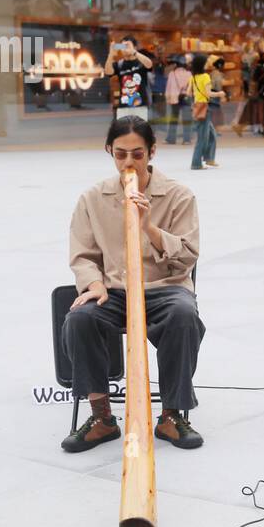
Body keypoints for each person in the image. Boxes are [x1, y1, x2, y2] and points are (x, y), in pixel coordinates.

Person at [62, 117, 204, 452]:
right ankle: (101, 417)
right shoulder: (92, 198)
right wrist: (93, 284)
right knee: (79, 319)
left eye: (138, 155)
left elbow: (187, 256)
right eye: (121, 154)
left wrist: (149, 227)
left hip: (165, 288)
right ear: (109, 151)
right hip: (113, 290)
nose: (129, 163)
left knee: (184, 315)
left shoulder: (179, 195)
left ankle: (171, 414)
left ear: (152, 152)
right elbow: (82, 255)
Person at [189, 54, 224, 170]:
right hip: (204, 108)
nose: (208, 63)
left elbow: (189, 93)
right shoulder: (205, 76)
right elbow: (209, 93)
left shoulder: (193, 77)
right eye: (206, 61)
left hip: (197, 107)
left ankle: (209, 159)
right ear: (202, 64)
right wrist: (219, 93)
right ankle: (196, 163)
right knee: (202, 137)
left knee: (212, 134)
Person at [107, 36, 152, 117]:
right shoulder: (119, 64)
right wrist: (111, 54)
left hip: (140, 107)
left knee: (140, 129)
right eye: (123, 46)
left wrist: (133, 52)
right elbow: (108, 72)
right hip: (123, 108)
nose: (125, 48)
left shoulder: (140, 61)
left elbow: (149, 65)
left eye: (127, 45)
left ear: (135, 47)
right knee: (123, 129)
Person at [163, 60, 192, 145]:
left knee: (174, 119)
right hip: (186, 97)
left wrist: (167, 98)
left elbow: (168, 86)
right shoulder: (189, 73)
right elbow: (191, 86)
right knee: (186, 119)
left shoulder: (172, 73)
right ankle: (186, 140)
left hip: (175, 98)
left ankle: (171, 139)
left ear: (176, 65)